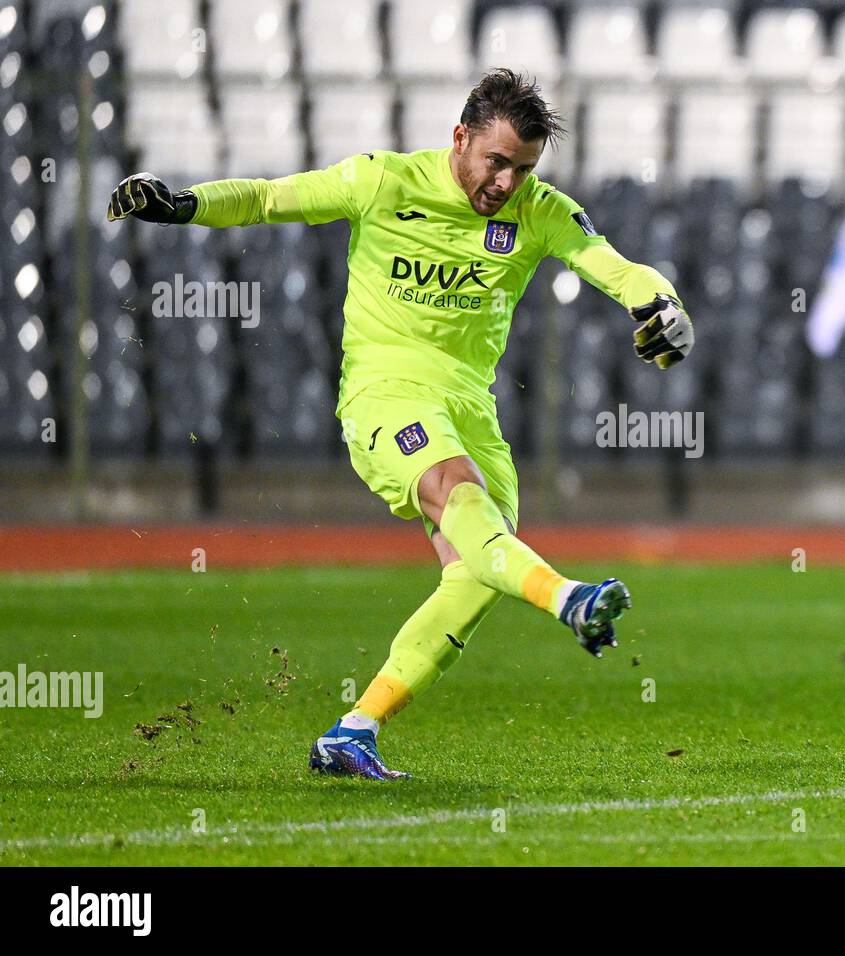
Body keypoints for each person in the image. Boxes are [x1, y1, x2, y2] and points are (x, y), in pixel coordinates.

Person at [108, 68, 695, 780]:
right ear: (461, 138)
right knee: (462, 497)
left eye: (524, 168)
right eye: (498, 162)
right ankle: (569, 598)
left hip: (471, 411)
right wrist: (179, 205)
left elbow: (613, 265)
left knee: (478, 573)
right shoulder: (382, 182)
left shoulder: (539, 209)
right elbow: (267, 198)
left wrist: (660, 303)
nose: (508, 183)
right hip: (385, 396)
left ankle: (354, 731)